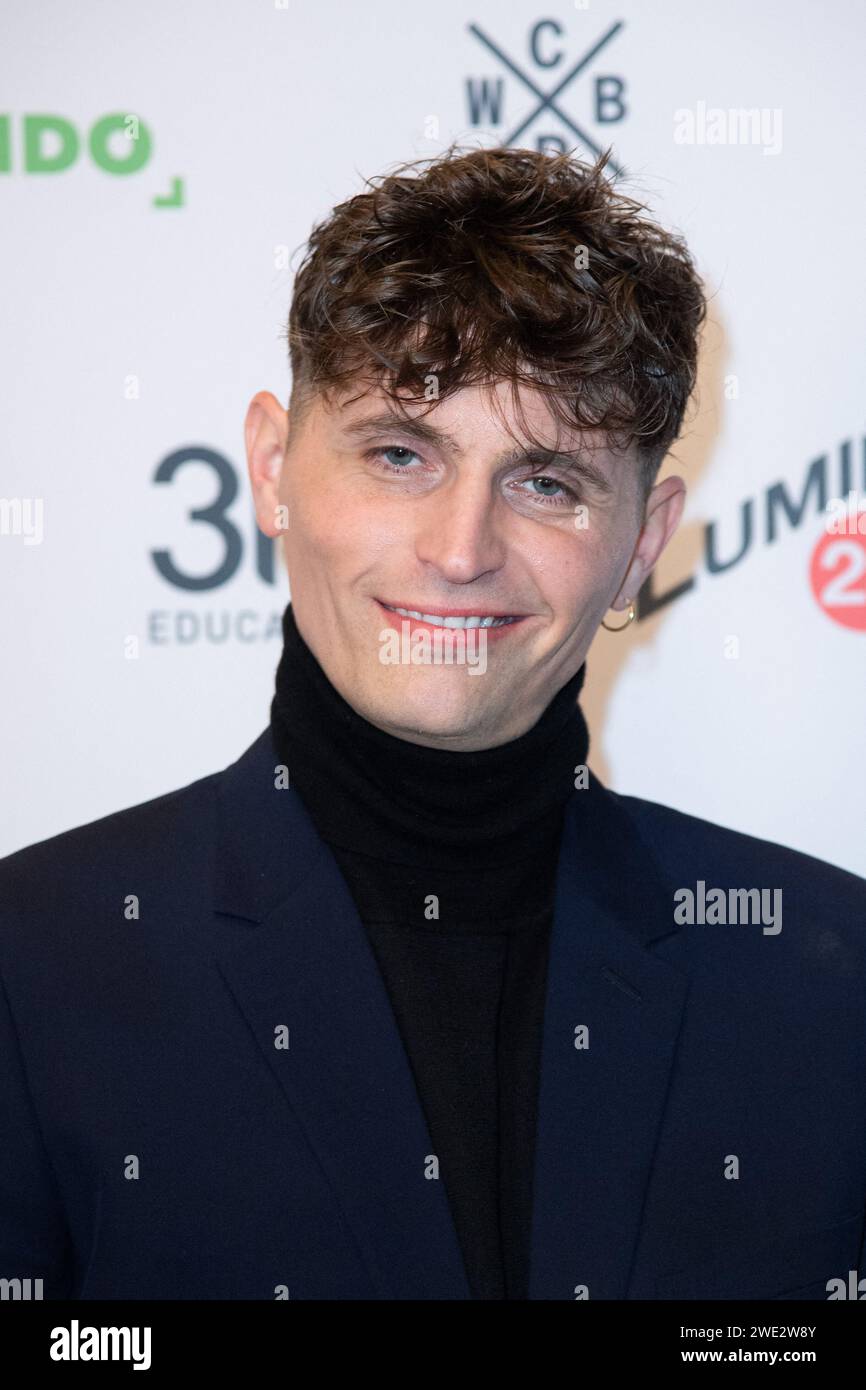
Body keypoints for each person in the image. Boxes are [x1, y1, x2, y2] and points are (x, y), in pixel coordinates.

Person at [1, 145, 864, 1302]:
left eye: (545, 481)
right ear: (270, 467)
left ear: (640, 546)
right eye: (400, 453)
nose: (460, 552)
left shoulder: (827, 978)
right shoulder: (36, 962)